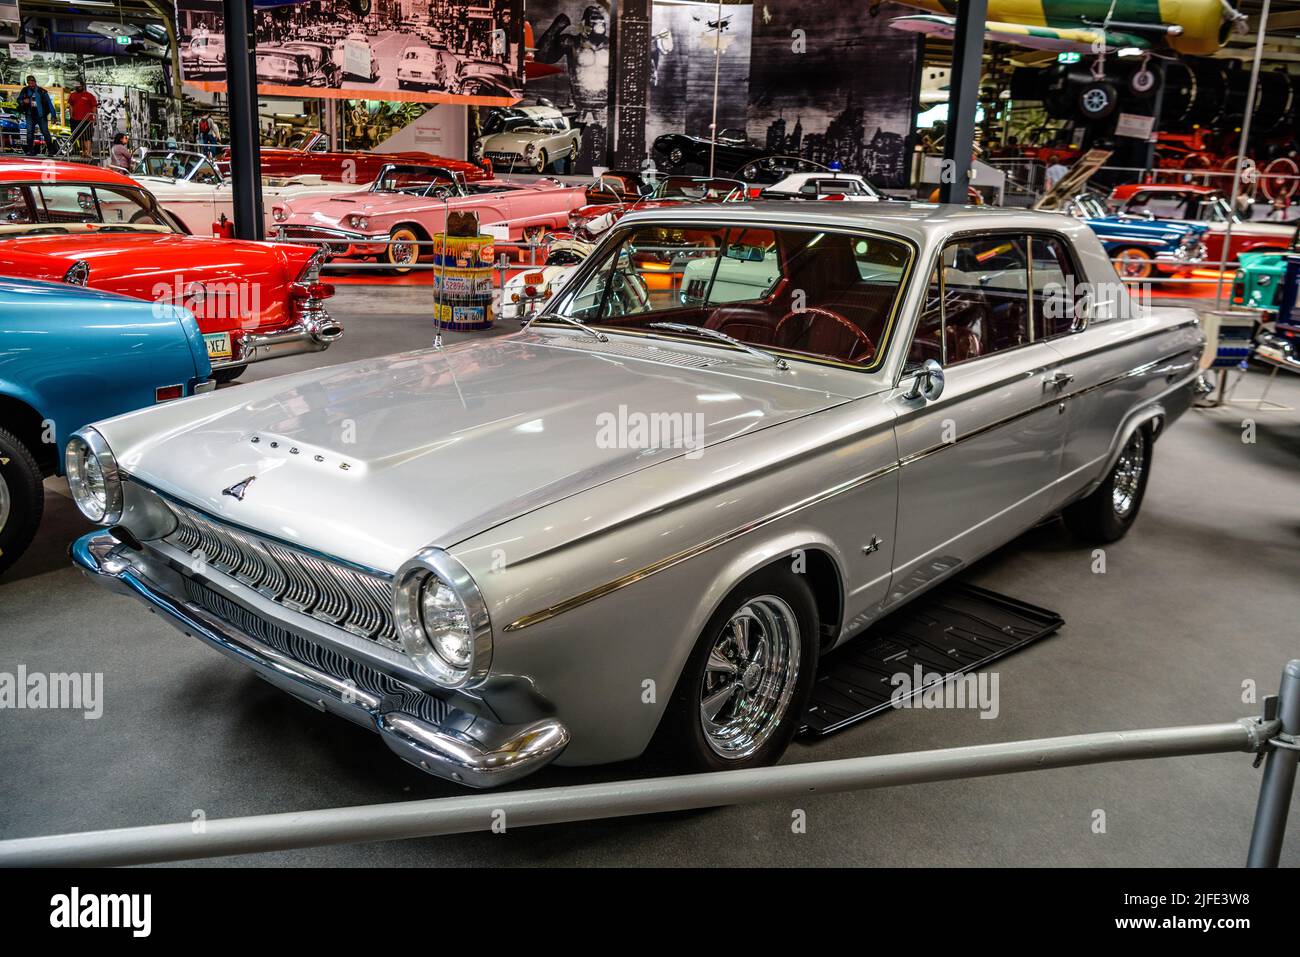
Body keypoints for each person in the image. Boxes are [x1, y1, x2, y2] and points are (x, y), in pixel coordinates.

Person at [16, 75, 56, 157]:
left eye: (32, 82)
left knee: (45, 132)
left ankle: (51, 151)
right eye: (29, 83)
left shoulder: (42, 91)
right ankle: (31, 151)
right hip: (29, 115)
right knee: (29, 133)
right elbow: (19, 99)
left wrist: (54, 116)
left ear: (35, 82)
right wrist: (23, 101)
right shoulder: (25, 90)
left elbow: (49, 104)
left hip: (41, 116)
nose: (30, 84)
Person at [67, 81, 97, 160]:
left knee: (87, 137)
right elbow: (71, 106)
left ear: (83, 86)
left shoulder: (89, 96)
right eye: (76, 86)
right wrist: (71, 117)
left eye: (79, 86)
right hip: (75, 119)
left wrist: (94, 117)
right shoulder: (72, 95)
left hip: (87, 120)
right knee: (79, 137)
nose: (77, 87)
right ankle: (83, 152)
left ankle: (88, 153)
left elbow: (94, 107)